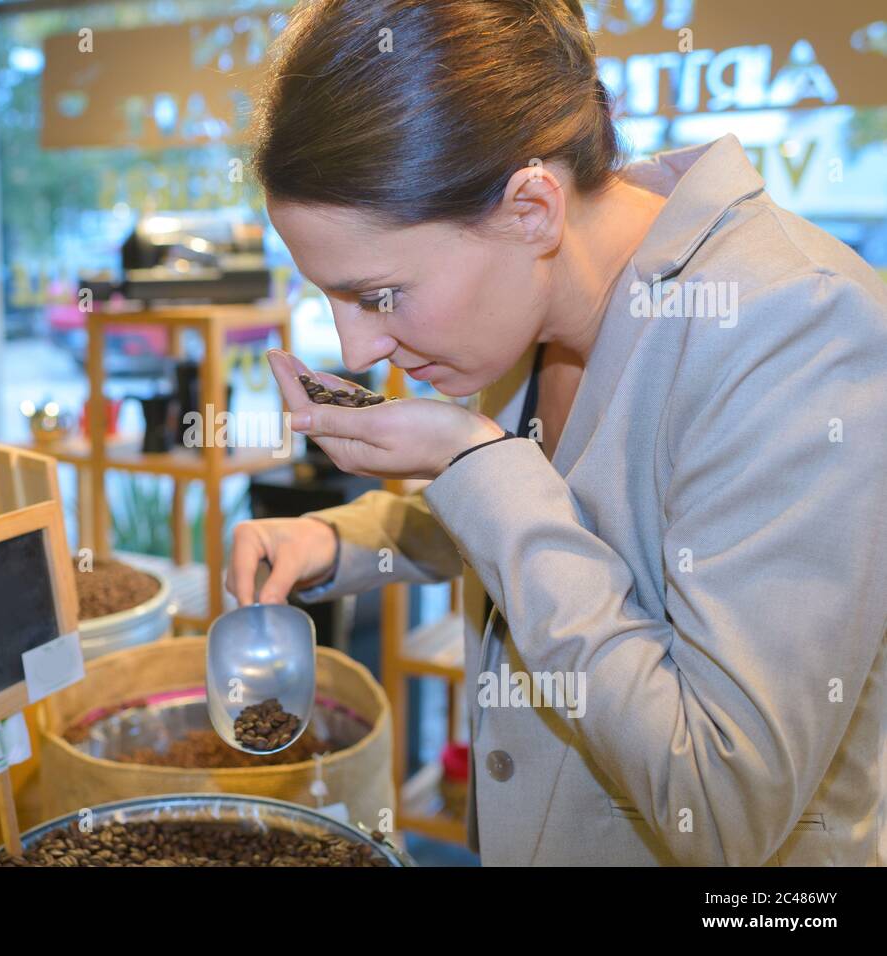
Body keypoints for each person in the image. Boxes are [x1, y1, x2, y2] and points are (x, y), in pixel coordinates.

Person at [227, 0, 887, 865]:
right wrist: (337, 538)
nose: (357, 347)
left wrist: (473, 460)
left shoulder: (797, 330)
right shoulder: (525, 309)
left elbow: (720, 806)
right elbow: (564, 532)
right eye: (332, 297)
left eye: (379, 293)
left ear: (532, 208)